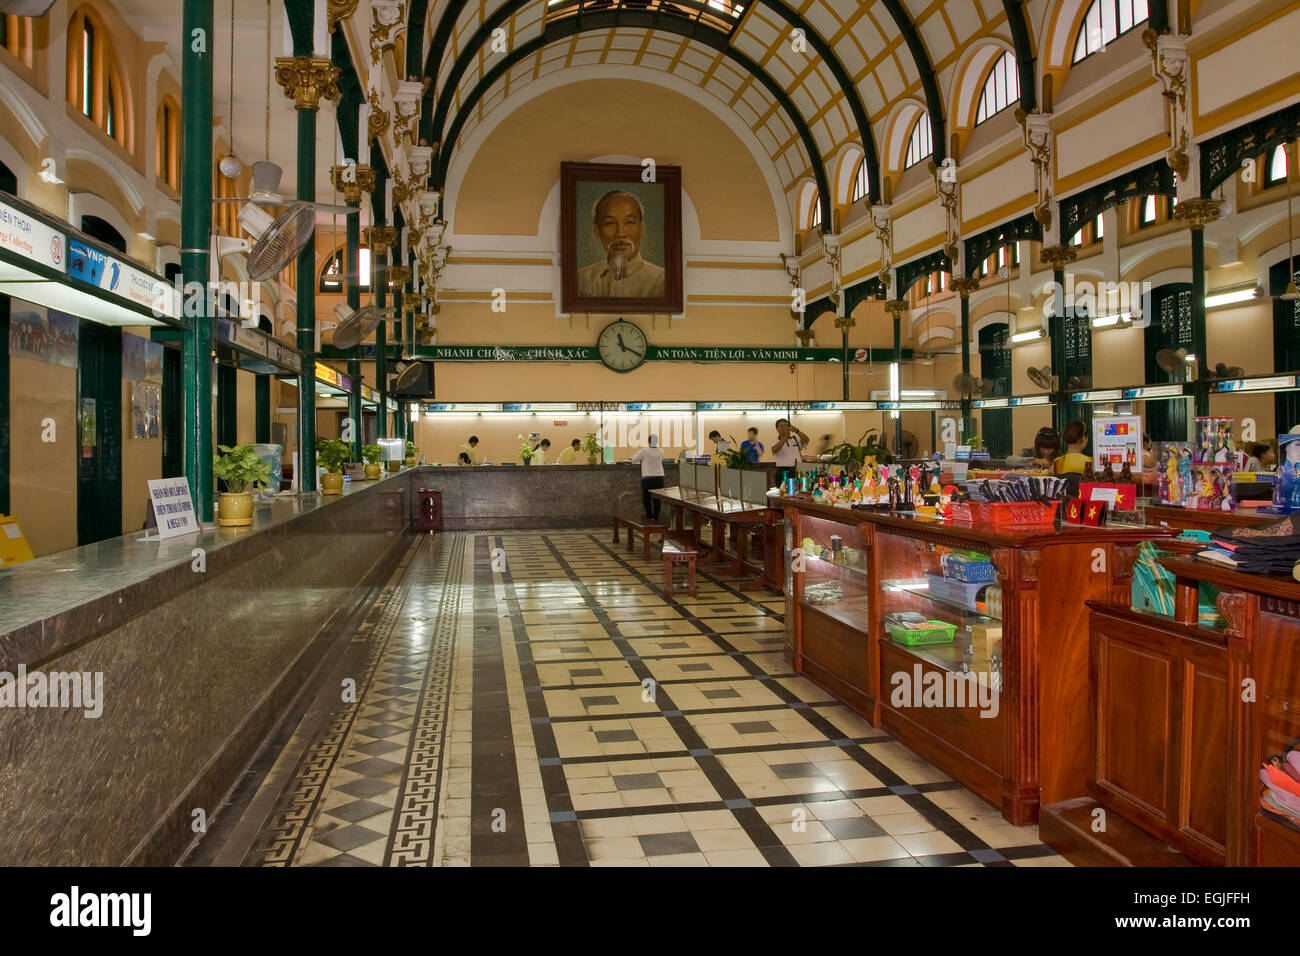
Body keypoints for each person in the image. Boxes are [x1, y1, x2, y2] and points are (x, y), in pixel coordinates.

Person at [576, 190, 666, 299]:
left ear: (642, 229)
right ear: (596, 230)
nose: (620, 233)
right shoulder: (581, 279)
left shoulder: (662, 281)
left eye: (629, 222)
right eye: (610, 223)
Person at [628, 433, 666, 520]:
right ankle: (656, 518)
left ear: (649, 441)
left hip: (648, 478)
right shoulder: (661, 451)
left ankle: (649, 516)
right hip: (659, 478)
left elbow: (634, 459)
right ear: (656, 442)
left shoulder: (644, 451)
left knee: (647, 498)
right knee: (657, 499)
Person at [772, 418, 809, 484]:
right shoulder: (775, 440)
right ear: (777, 429)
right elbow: (775, 449)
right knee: (782, 493)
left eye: (786, 425)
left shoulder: (795, 439)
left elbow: (806, 440)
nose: (784, 428)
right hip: (783, 472)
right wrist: (785, 436)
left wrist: (797, 431)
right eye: (781, 426)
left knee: (798, 492)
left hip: (797, 470)